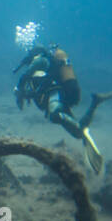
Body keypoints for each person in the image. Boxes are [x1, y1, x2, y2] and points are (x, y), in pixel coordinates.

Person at [13, 43, 105, 173]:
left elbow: (25, 76)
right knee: (77, 133)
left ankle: (79, 126)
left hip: (54, 95)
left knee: (55, 115)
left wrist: (18, 91)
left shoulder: (40, 60)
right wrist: (25, 94)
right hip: (60, 95)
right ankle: (95, 103)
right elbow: (34, 90)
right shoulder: (44, 66)